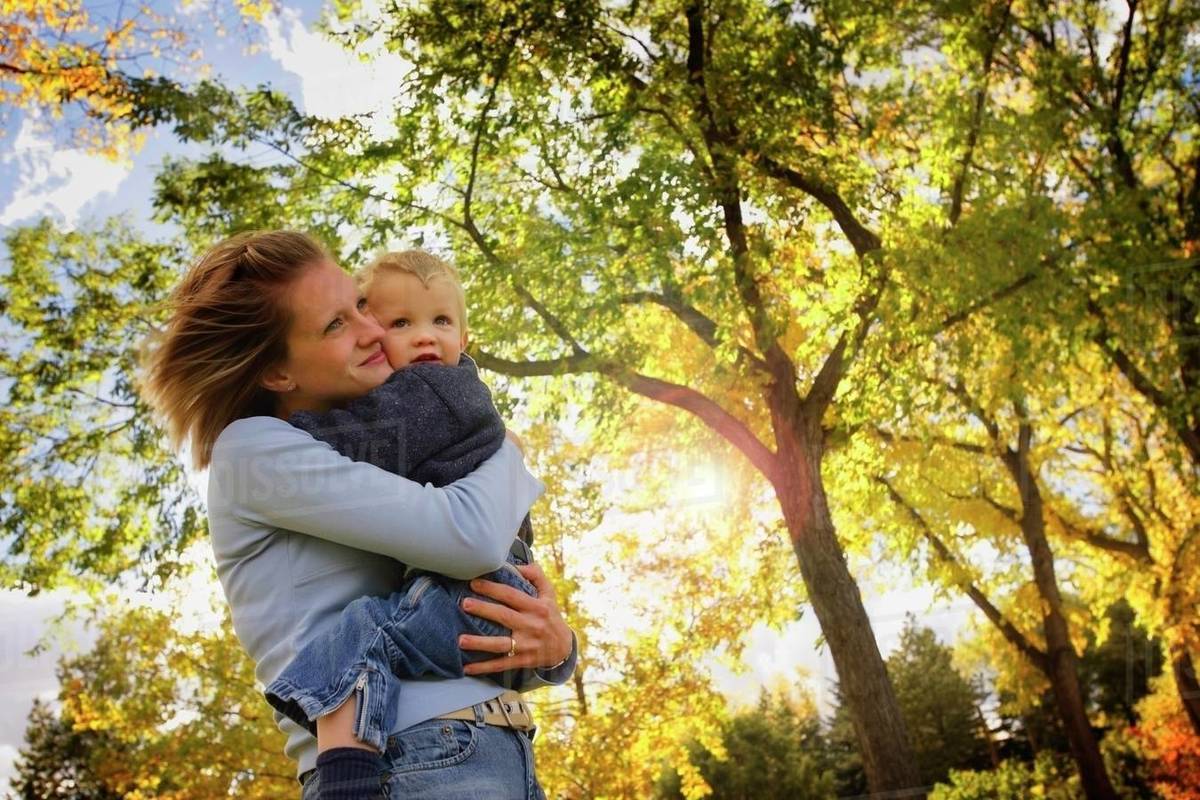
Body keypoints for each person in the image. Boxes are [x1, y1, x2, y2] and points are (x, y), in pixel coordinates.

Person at [139, 231, 577, 800]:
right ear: (277, 374)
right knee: (366, 633)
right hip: (406, 761)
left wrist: (558, 648)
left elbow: (483, 577)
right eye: (336, 324)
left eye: (359, 306)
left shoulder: (397, 440)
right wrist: (509, 452)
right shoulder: (253, 449)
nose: (372, 331)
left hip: (499, 750)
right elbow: (469, 537)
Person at [264, 250, 555, 790]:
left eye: (441, 321)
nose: (425, 337)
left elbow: (367, 442)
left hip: (476, 587)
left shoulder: (435, 392)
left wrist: (301, 429)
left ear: (465, 338)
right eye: (401, 323)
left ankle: (346, 779)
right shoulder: (443, 393)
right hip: (488, 627)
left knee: (362, 634)